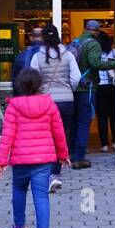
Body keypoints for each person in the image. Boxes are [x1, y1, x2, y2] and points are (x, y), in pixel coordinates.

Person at [0, 68, 68, 228]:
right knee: (41, 197)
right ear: (39, 85)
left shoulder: (13, 107)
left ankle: (19, 227)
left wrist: (1, 161)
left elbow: (7, 136)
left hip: (20, 160)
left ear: (20, 85)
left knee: (19, 191)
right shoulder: (49, 104)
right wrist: (63, 154)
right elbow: (58, 132)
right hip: (43, 160)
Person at [30, 22, 79, 194]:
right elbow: (76, 77)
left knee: (45, 137)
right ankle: (55, 174)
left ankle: (44, 172)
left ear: (42, 37)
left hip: (46, 101)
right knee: (61, 137)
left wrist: (40, 91)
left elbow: (33, 78)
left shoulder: (37, 56)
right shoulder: (68, 55)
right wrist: (67, 89)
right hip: (66, 101)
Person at [70, 19, 115, 168]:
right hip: (86, 87)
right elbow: (96, 63)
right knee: (83, 121)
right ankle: (79, 158)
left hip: (73, 86)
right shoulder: (93, 44)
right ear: (97, 31)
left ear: (85, 28)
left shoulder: (74, 42)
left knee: (74, 122)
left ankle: (72, 154)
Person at [94, 31, 115, 153]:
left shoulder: (95, 54)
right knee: (114, 115)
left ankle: (104, 144)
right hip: (113, 86)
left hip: (99, 87)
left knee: (102, 117)